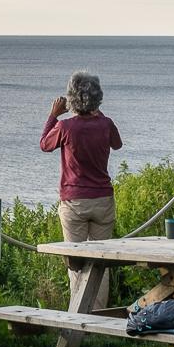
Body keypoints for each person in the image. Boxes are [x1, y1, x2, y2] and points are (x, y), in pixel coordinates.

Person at [41, 71, 123, 243]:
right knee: (101, 257)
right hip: (103, 199)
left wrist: (53, 115)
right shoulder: (106, 124)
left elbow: (45, 145)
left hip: (75, 200)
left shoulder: (65, 127)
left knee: (76, 259)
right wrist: (96, 111)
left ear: (71, 98)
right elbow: (117, 144)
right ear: (98, 97)